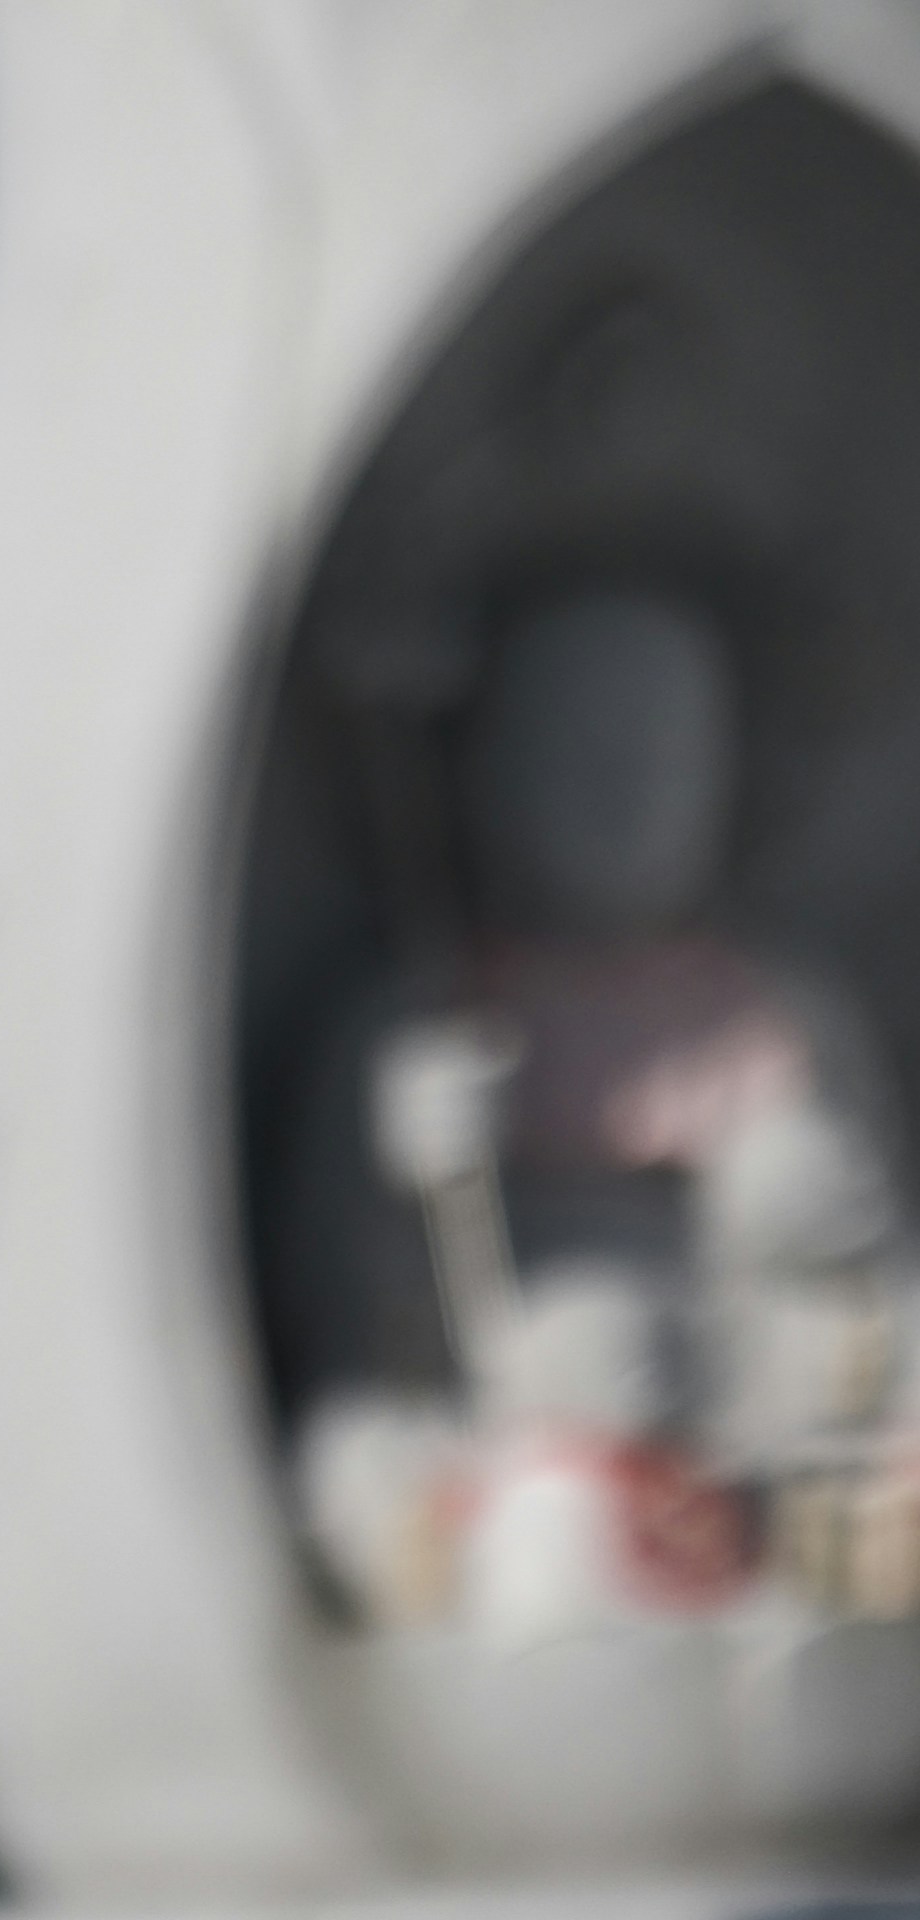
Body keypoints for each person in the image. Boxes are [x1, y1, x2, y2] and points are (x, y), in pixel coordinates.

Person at [283, 588, 920, 1641]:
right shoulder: (427, 1022)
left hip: (763, 1397)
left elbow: (884, 1272)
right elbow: (355, 1333)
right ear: (495, 772)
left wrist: (829, 1231)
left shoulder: (783, 1013)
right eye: (584, 754)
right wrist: (412, 1179)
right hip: (532, 1413)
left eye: (670, 758)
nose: (632, 793)